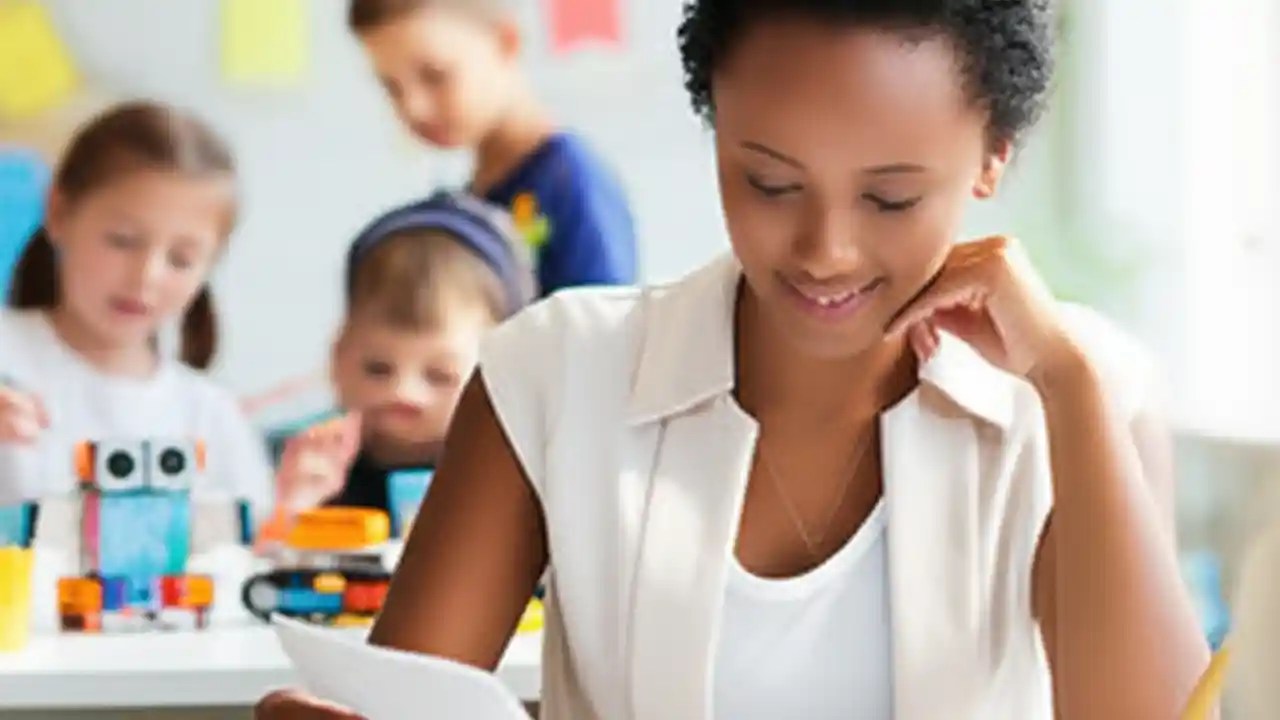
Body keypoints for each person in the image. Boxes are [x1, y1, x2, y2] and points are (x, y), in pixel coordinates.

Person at [258, 1, 1208, 718]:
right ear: (716, 123)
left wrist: (1070, 386)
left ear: (993, 156)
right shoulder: (552, 373)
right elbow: (404, 705)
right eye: (770, 181)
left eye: (890, 198)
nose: (824, 249)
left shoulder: (1085, 393)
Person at [0, 102, 278, 522]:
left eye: (181, 259)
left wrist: (294, 504)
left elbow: (253, 556)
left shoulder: (210, 414)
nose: (146, 277)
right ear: (58, 212)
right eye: (122, 240)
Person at [272, 191, 535, 521]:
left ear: (503, 371)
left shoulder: (516, 473)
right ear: (338, 358)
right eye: (377, 369)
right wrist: (291, 510)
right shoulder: (303, 463)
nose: (403, 391)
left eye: (440, 375)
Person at [348, 0, 638, 295]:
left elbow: (605, 330)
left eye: (435, 75)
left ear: (506, 43)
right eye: (392, 87)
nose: (414, 108)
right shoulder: (467, 199)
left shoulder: (574, 183)